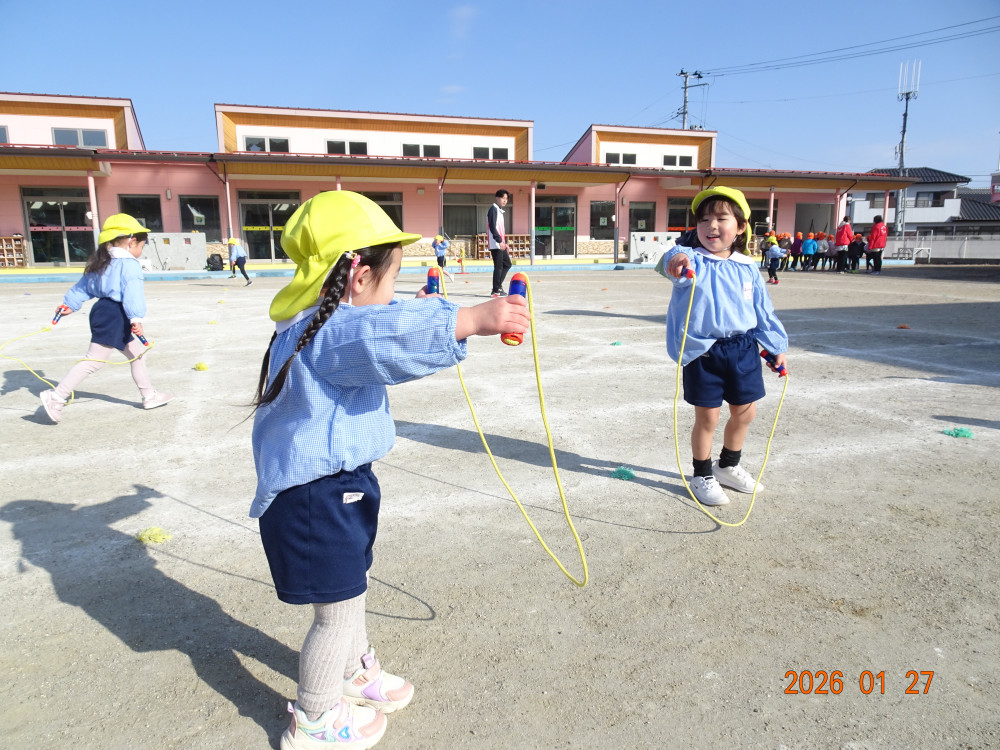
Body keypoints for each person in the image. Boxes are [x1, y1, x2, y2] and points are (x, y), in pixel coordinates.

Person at [249, 191, 529, 750]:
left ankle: (352, 673)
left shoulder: (314, 319)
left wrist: (423, 303)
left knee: (350, 591)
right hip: (318, 497)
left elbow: (388, 320)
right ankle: (315, 719)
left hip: (332, 487)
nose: (393, 292)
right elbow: (386, 335)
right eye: (391, 278)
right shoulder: (339, 331)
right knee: (335, 614)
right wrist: (476, 317)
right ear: (357, 272)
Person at [660, 187, 788, 507]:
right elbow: (668, 261)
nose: (711, 226)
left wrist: (775, 346)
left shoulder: (747, 267)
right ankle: (701, 473)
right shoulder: (691, 259)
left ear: (741, 226)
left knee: (745, 413)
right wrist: (674, 260)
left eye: (721, 218)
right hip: (703, 351)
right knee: (708, 417)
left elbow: (762, 310)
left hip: (743, 348)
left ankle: (728, 465)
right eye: (704, 220)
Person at [38, 214, 174, 424]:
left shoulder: (102, 261)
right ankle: (56, 397)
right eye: (141, 246)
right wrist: (136, 318)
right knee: (94, 360)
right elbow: (132, 293)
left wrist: (70, 304)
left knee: (137, 354)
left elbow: (84, 287)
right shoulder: (129, 265)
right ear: (131, 241)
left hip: (104, 311)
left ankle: (149, 395)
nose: (140, 252)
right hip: (115, 314)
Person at [487, 189, 512, 296]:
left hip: (500, 243)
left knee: (507, 264)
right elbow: (492, 227)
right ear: (497, 198)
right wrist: (499, 241)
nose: (505, 201)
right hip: (496, 244)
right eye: (503, 198)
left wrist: (504, 243)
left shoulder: (499, 211)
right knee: (499, 266)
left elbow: (500, 229)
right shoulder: (493, 209)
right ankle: (496, 289)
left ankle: (498, 287)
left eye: (506, 199)